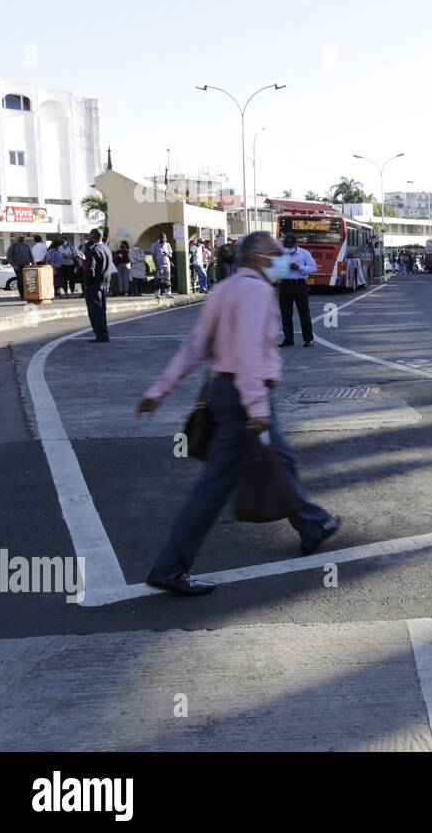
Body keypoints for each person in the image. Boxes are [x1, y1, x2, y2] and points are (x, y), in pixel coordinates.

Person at [134, 231, 341, 595]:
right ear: (259, 257)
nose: (283, 260)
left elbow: (196, 344)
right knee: (215, 485)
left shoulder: (224, 289)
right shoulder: (257, 291)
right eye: (276, 254)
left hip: (229, 391)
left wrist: (159, 389)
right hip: (247, 395)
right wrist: (257, 407)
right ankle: (169, 567)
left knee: (280, 458)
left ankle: (312, 523)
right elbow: (246, 353)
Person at [277, 232, 317, 347]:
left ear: (295, 244)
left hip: (299, 284)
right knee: (285, 313)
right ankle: (288, 339)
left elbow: (313, 268)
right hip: (285, 284)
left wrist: (299, 267)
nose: (288, 248)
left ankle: (308, 339)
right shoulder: (281, 254)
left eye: (290, 245)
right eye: (286, 245)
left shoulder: (304, 254)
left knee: (304, 312)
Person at [82, 229, 114, 343]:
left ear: (93, 237)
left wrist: (86, 283)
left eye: (90, 235)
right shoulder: (106, 248)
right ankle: (103, 333)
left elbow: (91, 269)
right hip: (104, 284)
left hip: (94, 284)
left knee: (95, 311)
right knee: (101, 310)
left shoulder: (92, 250)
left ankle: (101, 335)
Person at [151, 234, 173, 299]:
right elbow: (153, 256)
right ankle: (157, 295)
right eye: (161, 238)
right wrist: (156, 266)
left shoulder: (167, 244)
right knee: (158, 280)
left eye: (164, 238)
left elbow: (171, 255)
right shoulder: (154, 245)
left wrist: (167, 254)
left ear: (166, 238)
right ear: (159, 238)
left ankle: (168, 294)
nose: (163, 239)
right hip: (159, 265)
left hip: (167, 264)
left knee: (167, 280)